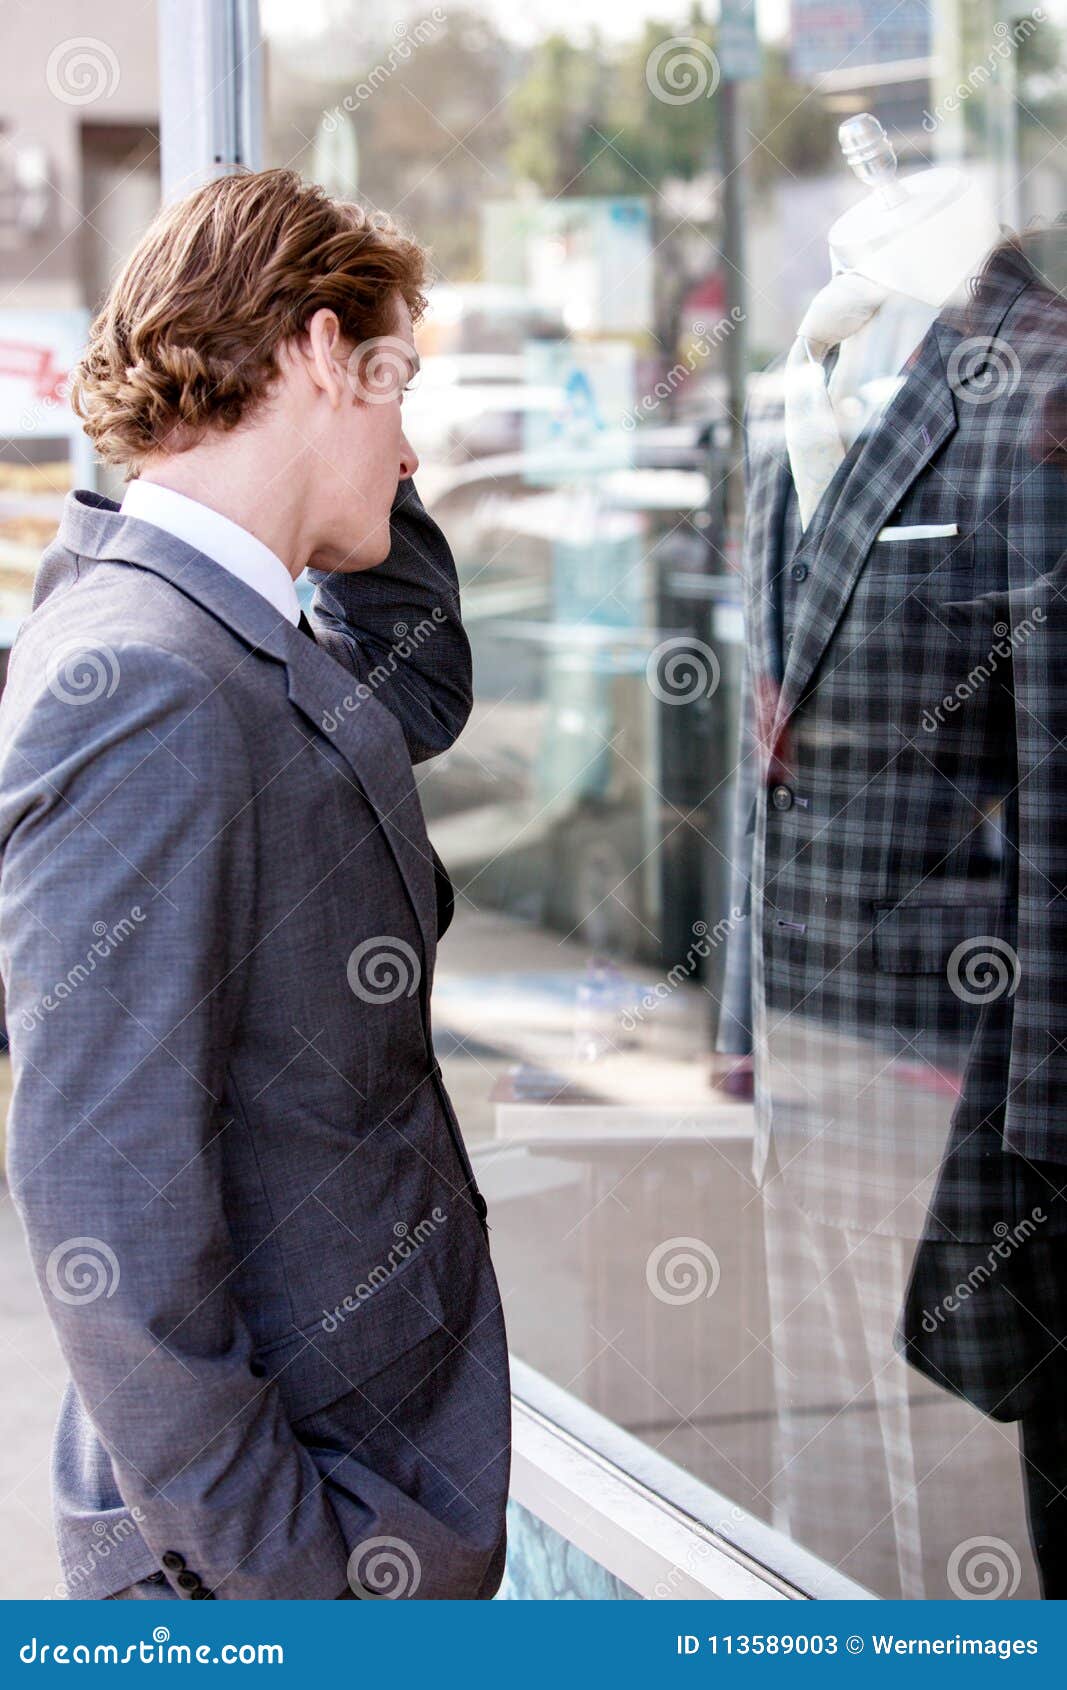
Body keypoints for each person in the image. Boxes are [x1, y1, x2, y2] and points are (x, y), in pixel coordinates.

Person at [0, 166, 511, 1601]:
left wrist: (326, 408)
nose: (412, 446)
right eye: (395, 378)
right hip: (269, 1564)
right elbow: (102, 1193)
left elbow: (416, 679)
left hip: (354, 1502)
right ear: (309, 353)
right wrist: (293, 1577)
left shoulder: (219, 626)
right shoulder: (149, 685)